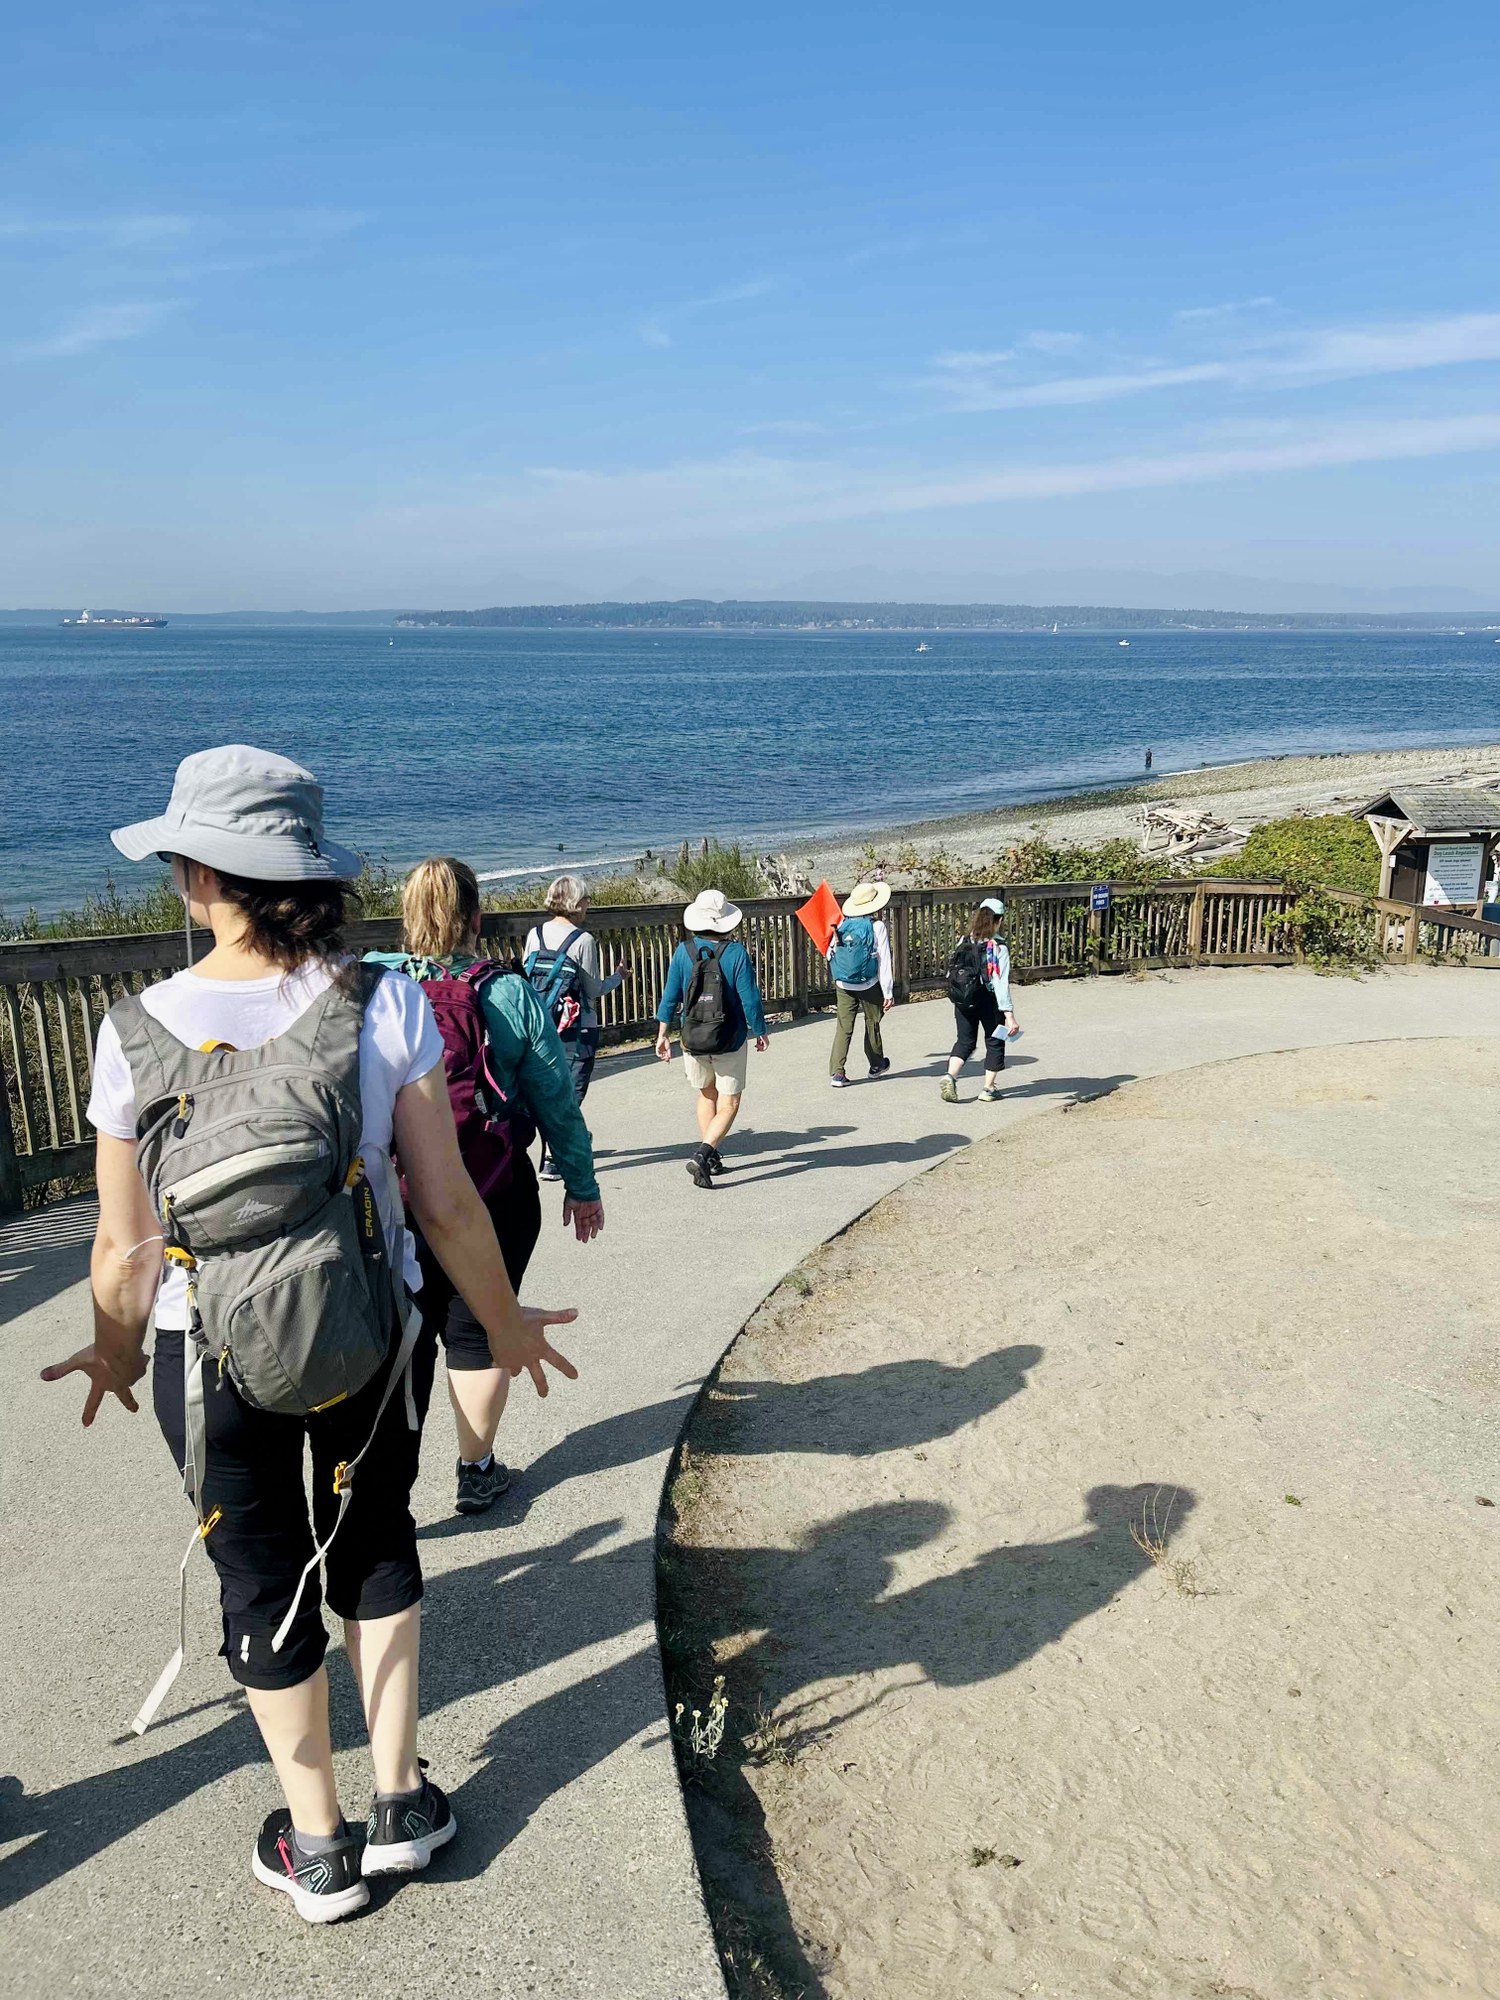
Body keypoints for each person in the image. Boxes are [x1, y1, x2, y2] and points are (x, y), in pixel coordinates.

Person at [44, 747, 576, 1923]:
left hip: (205, 1353)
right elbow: (446, 1202)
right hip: (368, 1333)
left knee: (259, 1573)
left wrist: (115, 1350)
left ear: (198, 875)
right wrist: (505, 1322)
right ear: (311, 877)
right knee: (373, 1543)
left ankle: (320, 1844)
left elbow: (125, 1249)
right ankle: (403, 1805)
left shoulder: (131, 1029)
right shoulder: (383, 1004)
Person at [368, 857, 604, 1516]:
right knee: (478, 1330)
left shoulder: (371, 982)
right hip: (491, 1189)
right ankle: (476, 1470)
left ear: (406, 917)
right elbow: (555, 1097)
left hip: (390, 1196)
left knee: (401, 1338)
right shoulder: (505, 991)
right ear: (477, 918)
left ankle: (383, 1496)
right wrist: (580, 1183)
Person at [654, 887, 769, 1189]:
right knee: (730, 1102)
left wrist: (663, 1033)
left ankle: (712, 1157)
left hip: (692, 1037)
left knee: (707, 1094)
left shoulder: (683, 952)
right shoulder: (736, 953)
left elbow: (670, 997)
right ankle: (704, 1155)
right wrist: (759, 1030)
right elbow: (750, 999)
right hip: (728, 1038)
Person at [523, 873, 626, 1182]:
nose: (588, 905)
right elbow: (593, 990)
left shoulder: (535, 934)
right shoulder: (583, 940)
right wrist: (618, 977)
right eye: (586, 900)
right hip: (578, 1027)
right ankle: (553, 1157)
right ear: (576, 903)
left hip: (541, 1025)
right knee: (573, 1090)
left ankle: (574, 1139)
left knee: (549, 1087)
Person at [941, 895, 1020, 1104]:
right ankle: (988, 1089)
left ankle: (950, 1076)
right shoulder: (998, 947)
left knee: (965, 1041)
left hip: (964, 998)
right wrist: (1009, 1015)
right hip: (988, 999)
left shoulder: (965, 940)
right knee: (995, 1041)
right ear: (999, 920)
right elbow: (1000, 982)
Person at [826, 878, 895, 1087]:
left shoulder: (841, 923)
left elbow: (830, 953)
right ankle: (876, 1064)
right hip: (868, 983)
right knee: (872, 1022)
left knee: (844, 1027)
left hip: (843, 983)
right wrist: (888, 991)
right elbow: (884, 960)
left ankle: (837, 1072)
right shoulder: (877, 926)